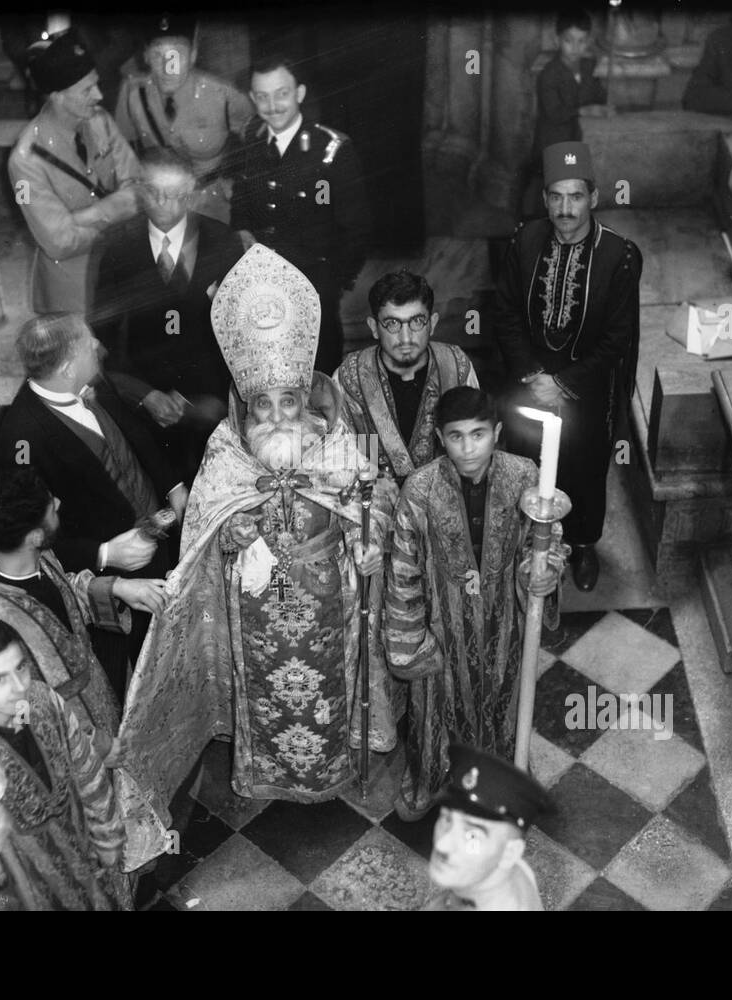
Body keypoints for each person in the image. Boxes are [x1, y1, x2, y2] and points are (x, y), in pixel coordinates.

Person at [113, 244, 396, 869]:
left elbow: (373, 507)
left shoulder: (343, 440)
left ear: (304, 398)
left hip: (329, 602)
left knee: (324, 690)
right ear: (245, 404)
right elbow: (203, 533)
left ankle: (333, 763)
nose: (275, 416)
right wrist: (229, 540)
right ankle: (266, 769)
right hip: (259, 607)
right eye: (262, 405)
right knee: (269, 694)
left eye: (287, 403)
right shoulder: (225, 453)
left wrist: (368, 544)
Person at [386, 387, 566, 820]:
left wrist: (540, 573)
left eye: (479, 434)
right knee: (439, 711)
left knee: (505, 707)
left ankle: (506, 778)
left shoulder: (524, 476)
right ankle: (435, 780)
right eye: (456, 437)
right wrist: (411, 639)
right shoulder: (420, 489)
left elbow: (545, 542)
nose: (468, 448)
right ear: (440, 438)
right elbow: (404, 570)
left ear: (497, 433)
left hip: (504, 623)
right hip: (442, 628)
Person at [493, 141, 642, 592]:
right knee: (522, 460)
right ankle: (522, 543)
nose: (565, 208)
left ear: (593, 198)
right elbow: (505, 312)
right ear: (544, 199)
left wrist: (563, 383)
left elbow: (618, 337)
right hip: (529, 380)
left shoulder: (621, 256)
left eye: (575, 196)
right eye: (555, 196)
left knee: (584, 467)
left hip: (586, 385)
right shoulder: (525, 239)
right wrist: (532, 376)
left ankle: (581, 545)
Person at [0, 620, 131, 910]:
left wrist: (108, 836)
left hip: (89, 866)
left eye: (21, 667)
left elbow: (86, 768)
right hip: (30, 893)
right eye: (0, 679)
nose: (20, 686)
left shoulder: (43, 699)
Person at [0, 313, 183, 581]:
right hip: (123, 574)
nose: (96, 343)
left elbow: (134, 433)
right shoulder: (20, 437)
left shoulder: (92, 379)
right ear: (68, 369)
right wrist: (103, 554)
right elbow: (20, 535)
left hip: (164, 531)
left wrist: (172, 485)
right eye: (86, 342)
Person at [90, 147, 244, 483]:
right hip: (144, 403)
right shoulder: (117, 247)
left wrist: (217, 398)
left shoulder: (224, 242)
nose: (165, 204)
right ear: (141, 189)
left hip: (210, 403)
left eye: (176, 195)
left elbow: (238, 332)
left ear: (191, 191)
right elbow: (105, 336)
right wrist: (145, 395)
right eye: (154, 193)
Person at [0, 468, 158, 721]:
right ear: (34, 536)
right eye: (51, 509)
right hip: (69, 727)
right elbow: (14, 709)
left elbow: (63, 594)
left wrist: (116, 587)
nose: (58, 502)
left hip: (96, 692)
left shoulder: (30, 552)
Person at [230, 54, 371, 374]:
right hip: (262, 290)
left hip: (314, 291)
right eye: (262, 96)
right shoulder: (250, 147)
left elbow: (357, 228)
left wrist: (330, 285)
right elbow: (240, 202)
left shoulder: (331, 149)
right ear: (252, 98)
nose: (272, 105)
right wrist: (242, 232)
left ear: (300, 93)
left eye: (281, 93)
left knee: (317, 381)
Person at [8, 29, 142, 314]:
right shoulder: (24, 161)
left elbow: (137, 186)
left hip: (121, 271)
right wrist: (113, 212)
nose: (99, 95)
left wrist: (86, 217)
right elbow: (59, 242)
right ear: (56, 96)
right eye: (86, 90)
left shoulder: (100, 121)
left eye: (96, 84)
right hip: (71, 292)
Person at [335, 269, 478, 487]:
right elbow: (337, 457)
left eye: (417, 321)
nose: (405, 337)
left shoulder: (456, 365)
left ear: (433, 323)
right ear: (374, 328)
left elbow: (476, 446)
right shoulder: (350, 376)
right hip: (374, 505)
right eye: (392, 323)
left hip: (444, 500)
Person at [113, 15, 253, 224]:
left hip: (211, 203)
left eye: (176, 54)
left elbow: (258, 138)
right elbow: (121, 151)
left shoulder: (222, 96)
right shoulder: (133, 93)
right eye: (158, 53)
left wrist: (241, 183)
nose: (168, 66)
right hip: (159, 205)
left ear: (194, 55)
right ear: (146, 56)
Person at [422, 745, 552, 912]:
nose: (442, 844)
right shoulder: (506, 873)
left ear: (510, 853)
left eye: (472, 836)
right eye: (447, 819)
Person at [531, 9, 608, 161]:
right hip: (554, 143)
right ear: (557, 40)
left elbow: (599, 95)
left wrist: (603, 105)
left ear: (588, 41)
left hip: (582, 137)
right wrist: (584, 111)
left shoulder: (590, 67)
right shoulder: (549, 73)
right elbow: (554, 113)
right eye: (568, 40)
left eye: (581, 41)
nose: (575, 47)